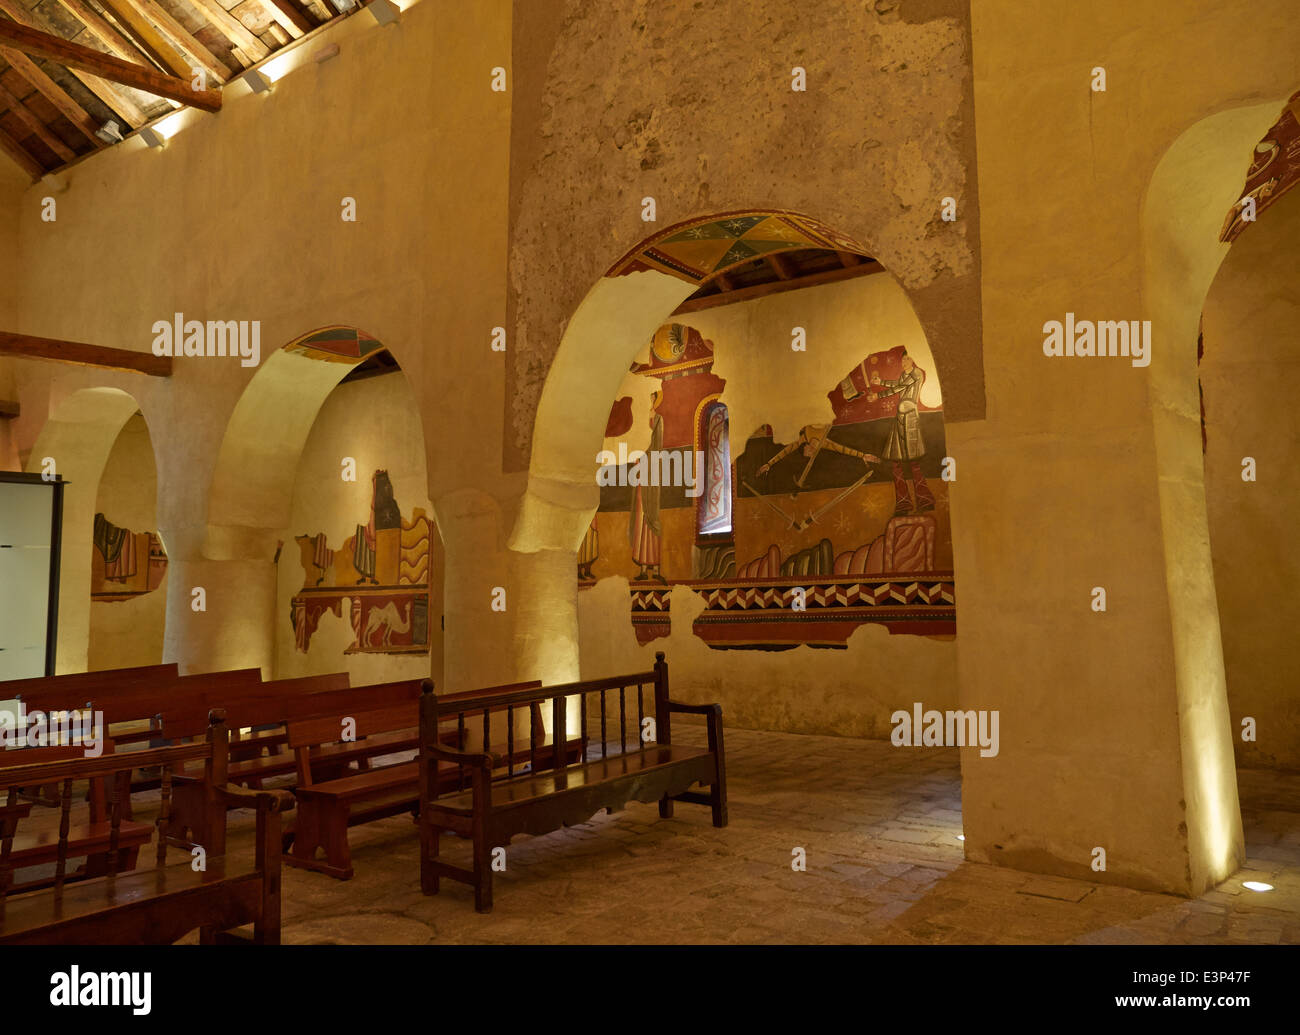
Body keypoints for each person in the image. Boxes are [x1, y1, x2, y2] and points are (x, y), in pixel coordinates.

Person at [868, 353, 935, 516]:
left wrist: (879, 395)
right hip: (899, 419)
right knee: (896, 460)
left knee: (913, 461)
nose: (904, 361)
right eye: (903, 359)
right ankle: (904, 502)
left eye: (908, 358)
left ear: (914, 360)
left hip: (910, 419)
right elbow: (897, 383)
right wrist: (880, 382)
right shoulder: (904, 375)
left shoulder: (916, 373)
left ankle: (924, 499)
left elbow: (900, 387)